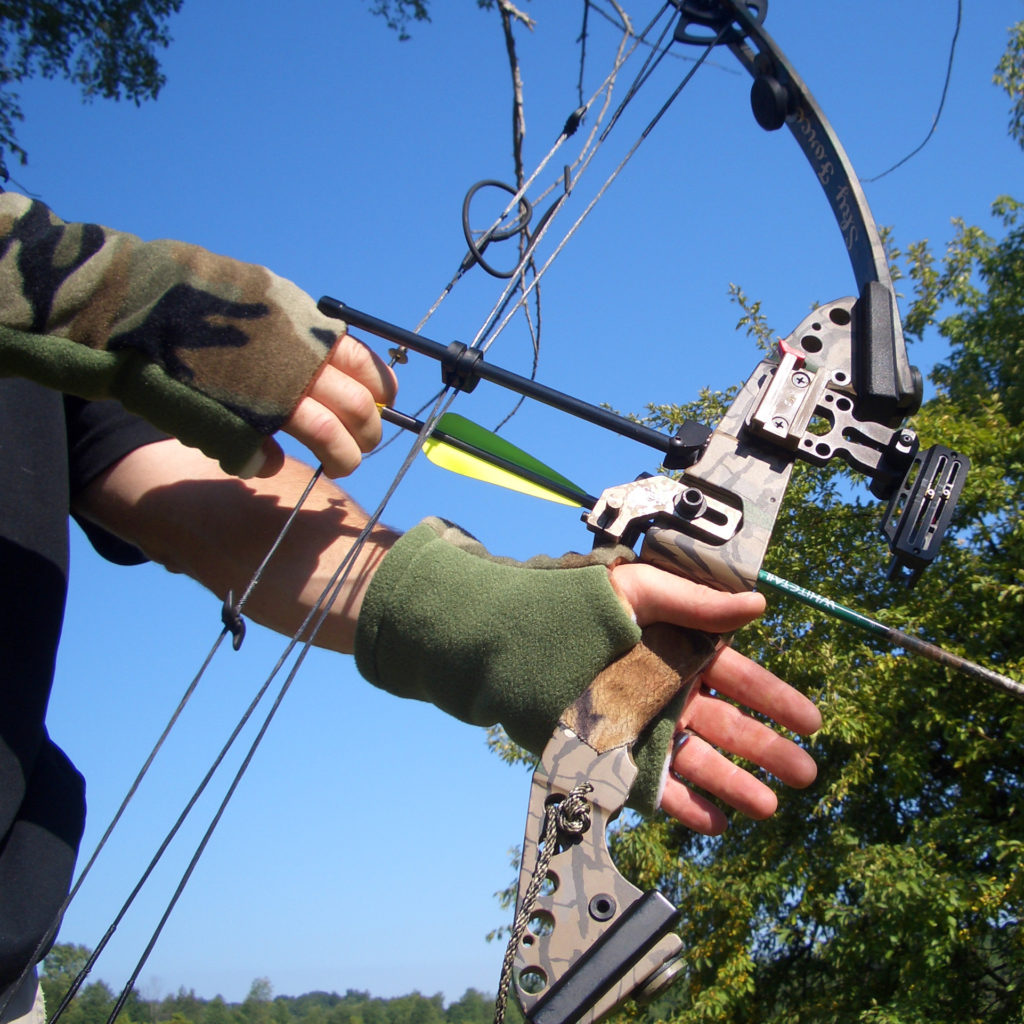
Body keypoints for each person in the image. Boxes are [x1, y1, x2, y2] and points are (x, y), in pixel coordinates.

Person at [0, 192, 821, 1021]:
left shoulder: (51, 368)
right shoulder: (73, 307)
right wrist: (112, 291)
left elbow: (191, 501)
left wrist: (493, 620)